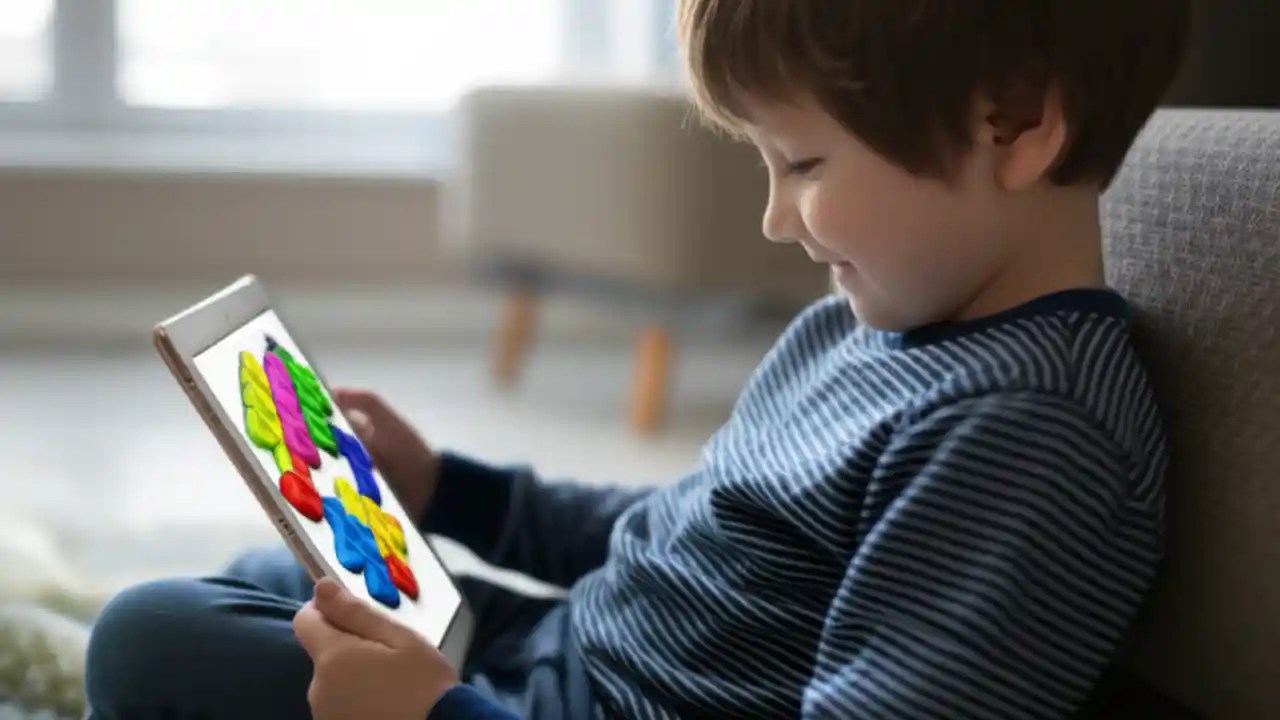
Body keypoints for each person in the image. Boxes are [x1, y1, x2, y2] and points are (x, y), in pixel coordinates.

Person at [84, 1, 1190, 718]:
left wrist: (437, 714)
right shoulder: (864, 329)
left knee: (149, 638)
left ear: (1012, 121)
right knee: (286, 581)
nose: (774, 220)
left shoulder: (1030, 434)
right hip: (561, 655)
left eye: (803, 163)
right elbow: (685, 534)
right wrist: (446, 489)